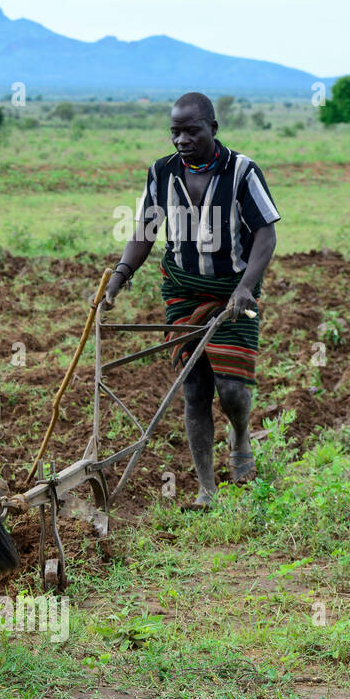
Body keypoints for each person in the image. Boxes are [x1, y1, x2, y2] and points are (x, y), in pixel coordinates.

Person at [104, 92, 280, 507]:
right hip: (182, 292)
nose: (181, 139)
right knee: (195, 388)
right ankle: (206, 491)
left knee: (233, 389)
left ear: (213, 129)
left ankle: (239, 435)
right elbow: (145, 230)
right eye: (175, 131)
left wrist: (245, 287)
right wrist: (120, 276)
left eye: (191, 130)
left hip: (233, 291)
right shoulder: (162, 172)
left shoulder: (242, 172)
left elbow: (266, 235)